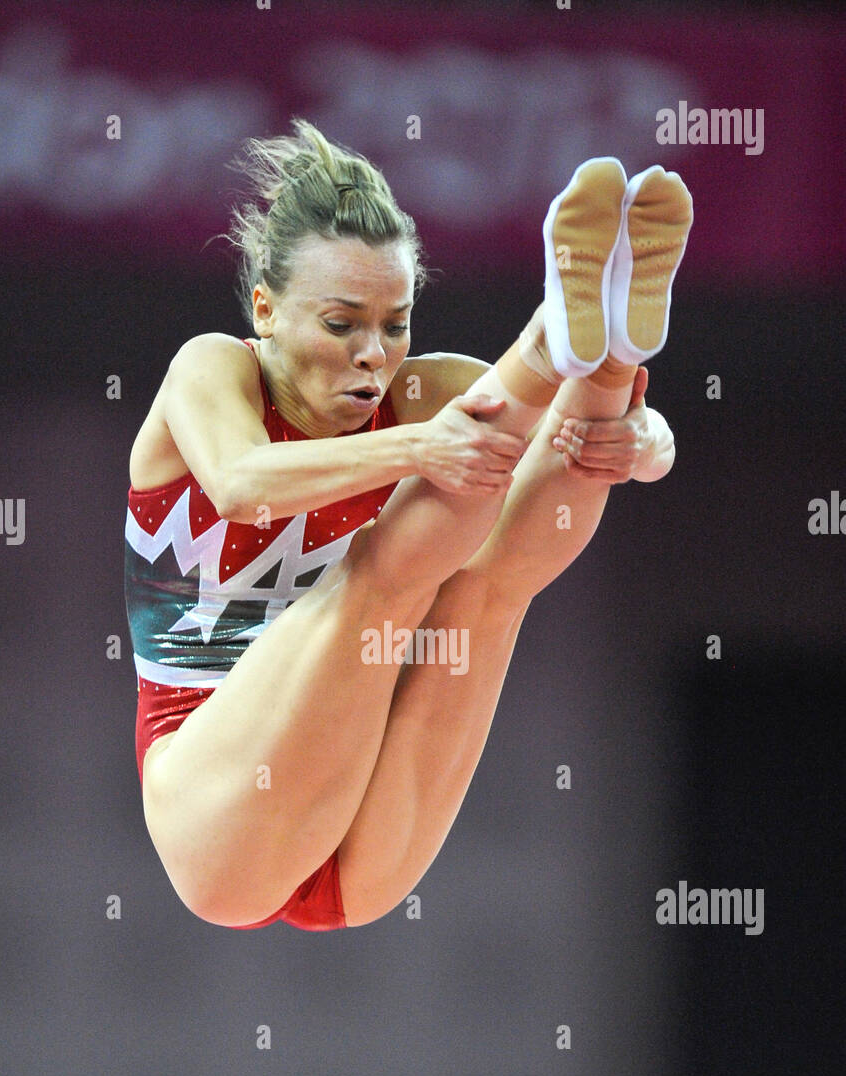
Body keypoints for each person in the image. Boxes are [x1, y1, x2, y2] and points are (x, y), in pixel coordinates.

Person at [124, 120, 692, 932]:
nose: (373, 354)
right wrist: (424, 446)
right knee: (379, 574)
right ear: (267, 309)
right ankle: (546, 338)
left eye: (395, 324)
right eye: (342, 322)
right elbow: (244, 484)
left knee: (489, 587)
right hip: (215, 816)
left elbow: (573, 460)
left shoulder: (430, 398)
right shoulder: (214, 369)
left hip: (366, 841)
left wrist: (638, 439)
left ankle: (605, 349)